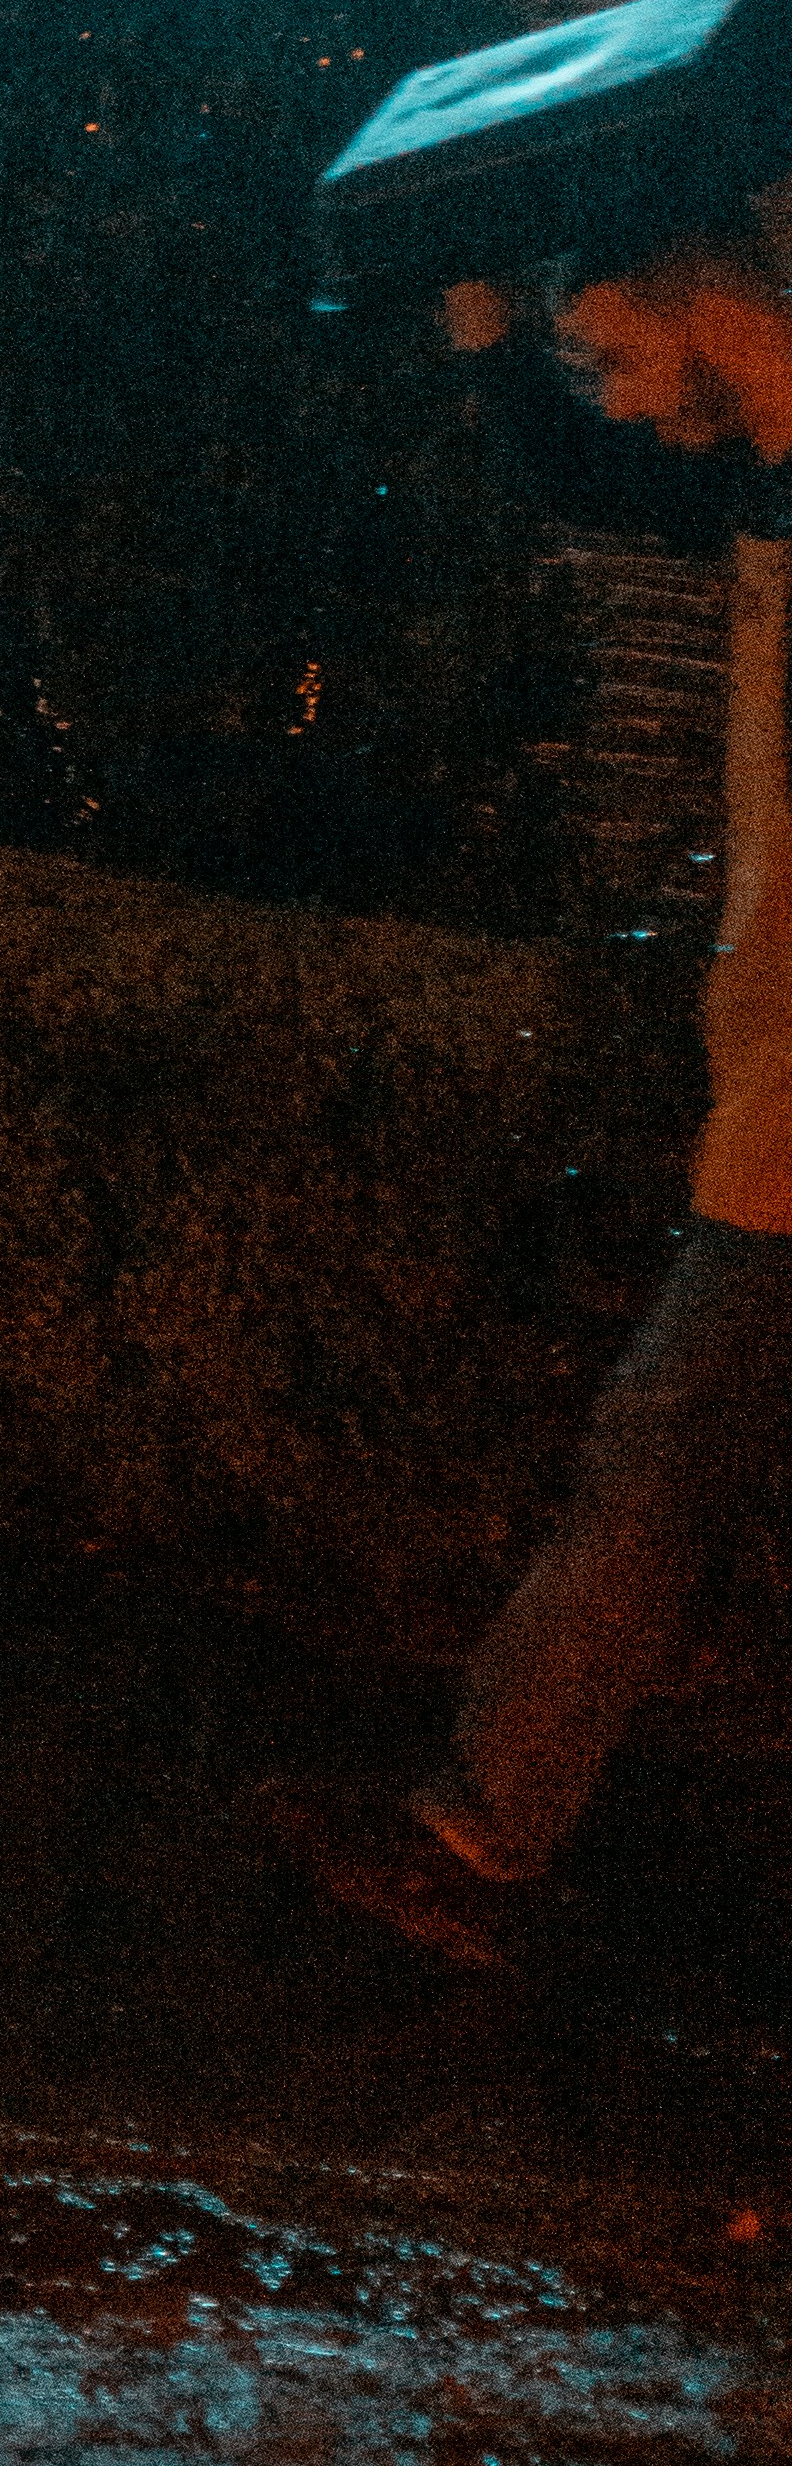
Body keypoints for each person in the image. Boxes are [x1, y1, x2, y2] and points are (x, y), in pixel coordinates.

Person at [289, 219, 792, 1964]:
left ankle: (483, 1831)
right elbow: (600, 483)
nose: (635, 408)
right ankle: (482, 1824)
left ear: (702, 306)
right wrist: (495, 337)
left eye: (627, 358)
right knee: (664, 1455)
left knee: (656, 1453)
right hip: (771, 1069)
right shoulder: (766, 487)